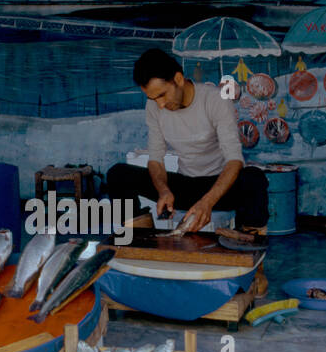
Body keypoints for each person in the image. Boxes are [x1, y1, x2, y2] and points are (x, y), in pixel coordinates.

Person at [106, 48, 269, 234]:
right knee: (118, 175)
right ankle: (140, 240)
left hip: (220, 187)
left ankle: (246, 244)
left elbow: (234, 160)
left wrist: (207, 202)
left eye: (162, 95)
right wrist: (163, 191)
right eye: (152, 98)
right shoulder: (154, 107)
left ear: (178, 79)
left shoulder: (215, 99)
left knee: (254, 179)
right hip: (185, 187)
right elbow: (156, 159)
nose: (159, 104)